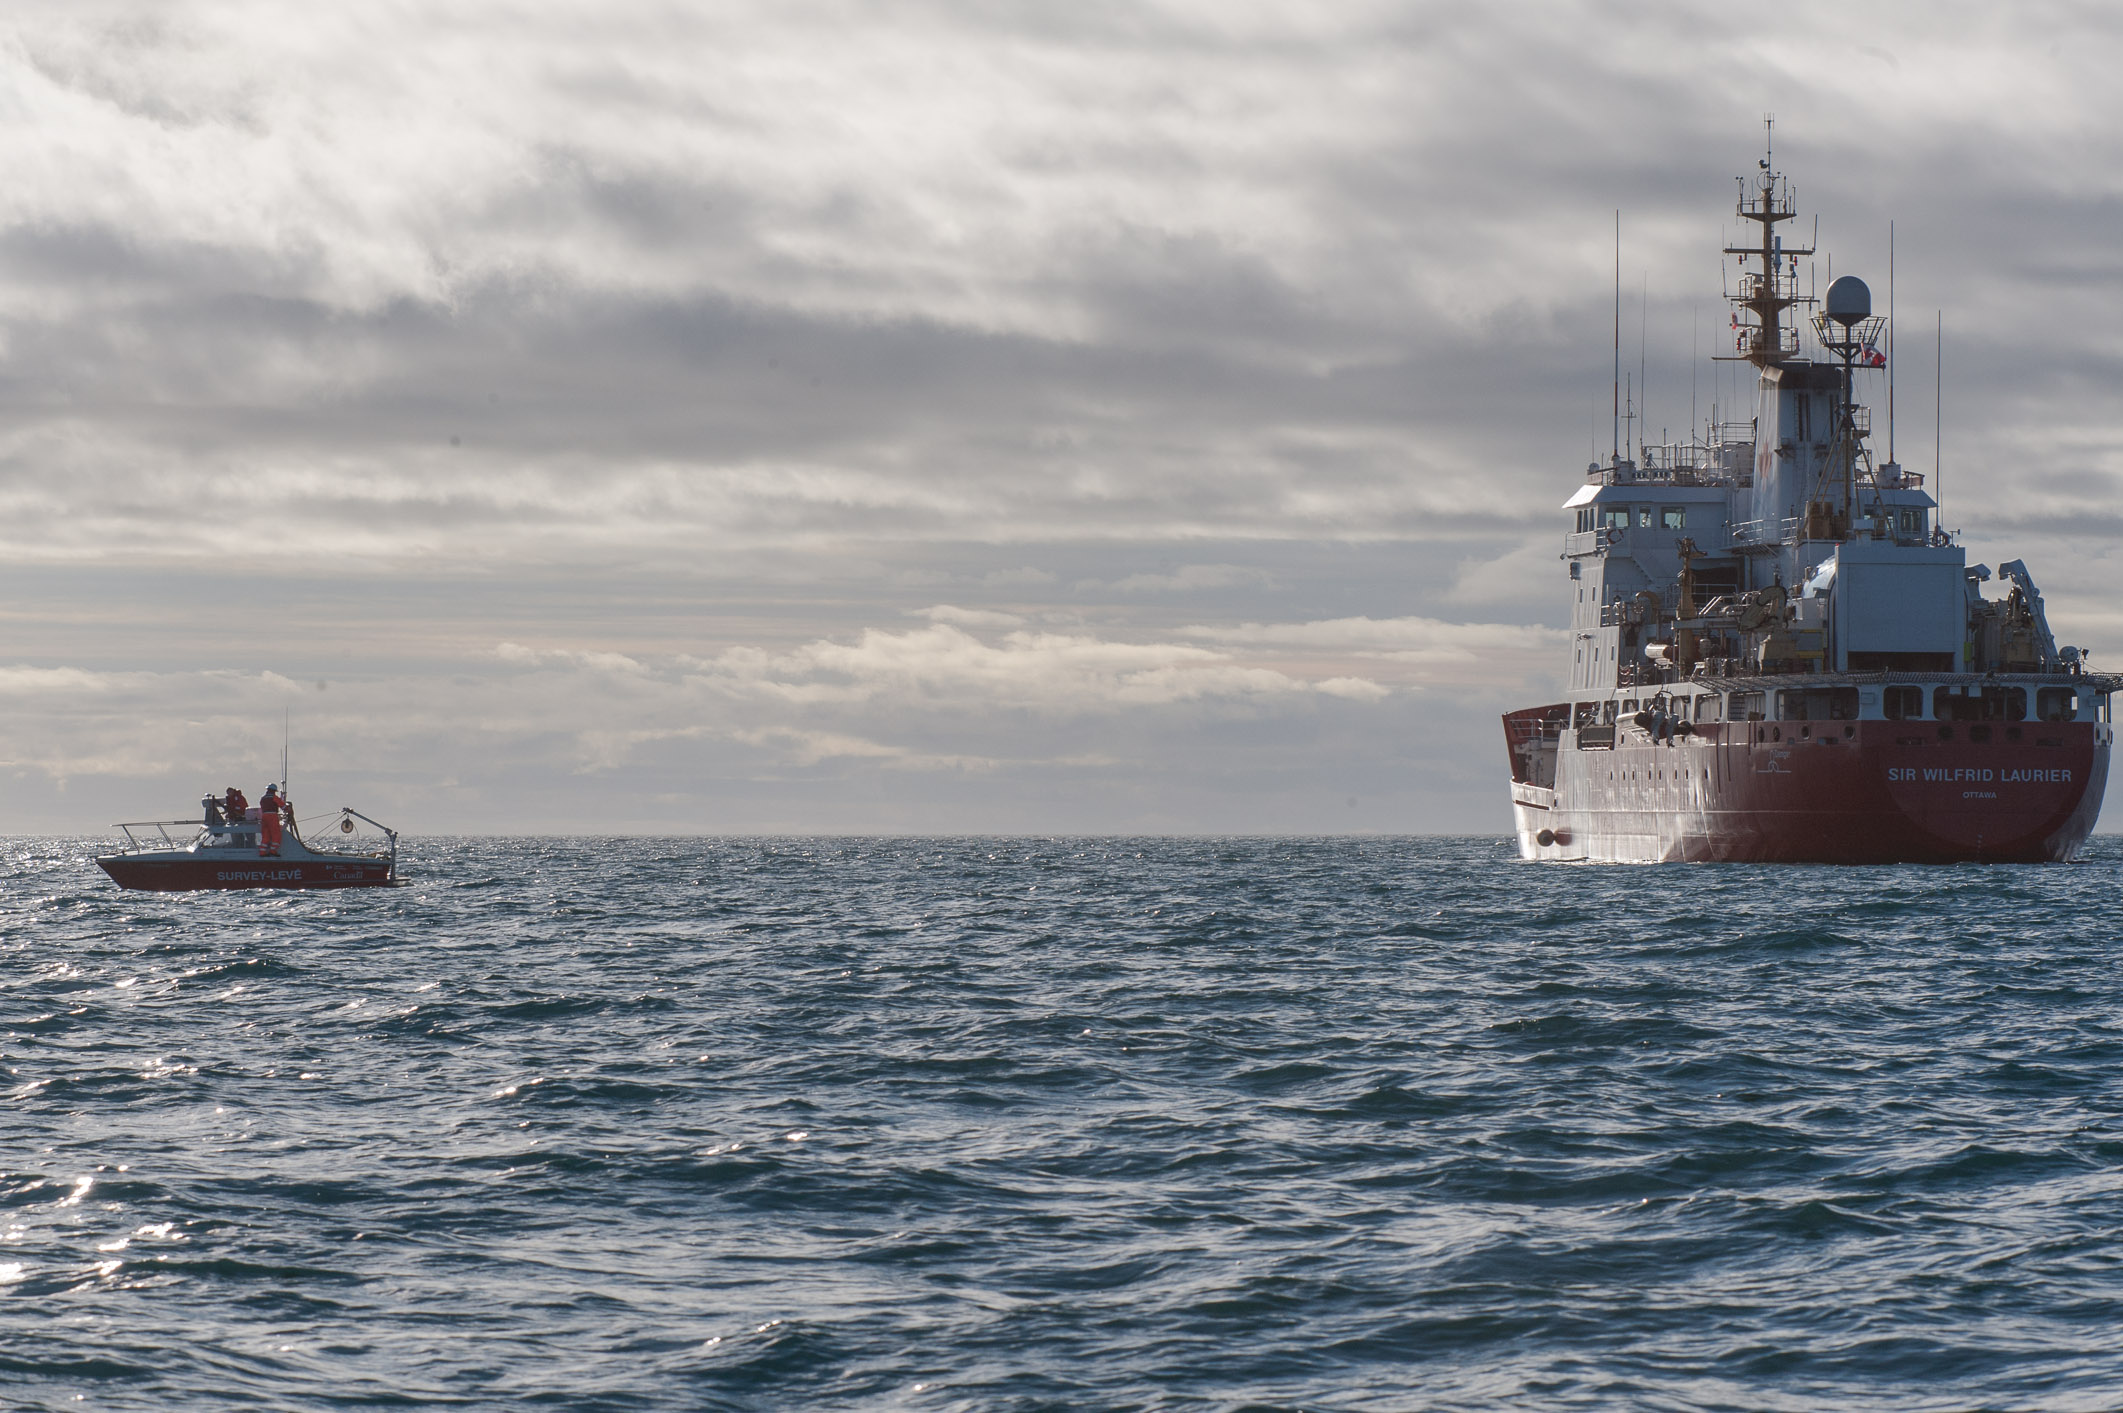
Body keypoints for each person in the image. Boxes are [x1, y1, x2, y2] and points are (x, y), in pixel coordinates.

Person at [258, 782, 288, 857]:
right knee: (276, 834)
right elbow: (283, 807)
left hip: (264, 817)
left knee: (266, 835)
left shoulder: (263, 798)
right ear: (274, 791)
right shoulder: (274, 798)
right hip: (272, 816)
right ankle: (273, 851)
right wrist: (288, 809)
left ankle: (262, 852)